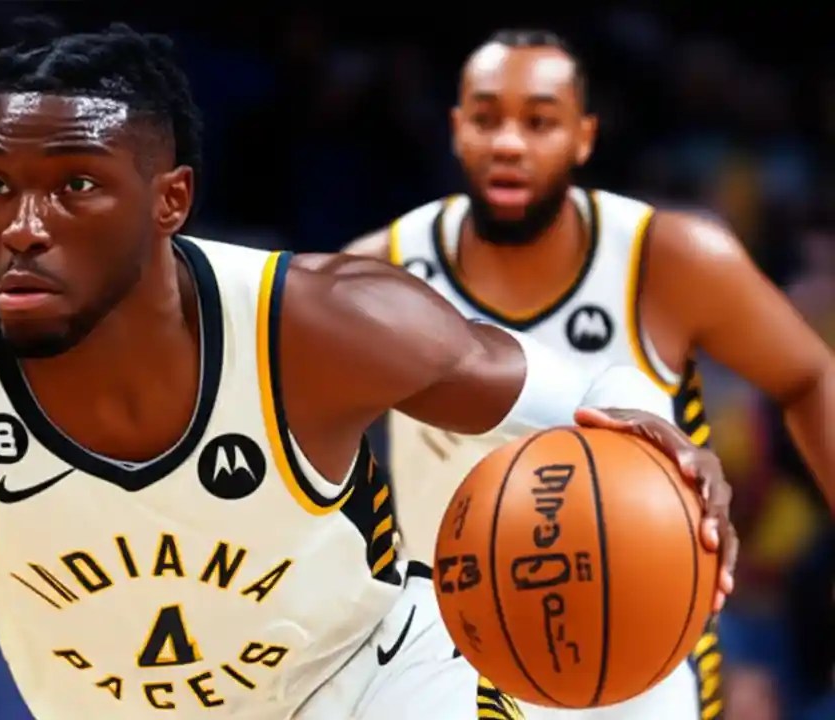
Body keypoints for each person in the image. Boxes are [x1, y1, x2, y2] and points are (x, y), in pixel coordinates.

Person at [0, 21, 737, 719]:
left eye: (75, 185)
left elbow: (588, 391)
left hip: (368, 685)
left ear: (170, 200)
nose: (22, 226)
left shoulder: (317, 326)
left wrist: (673, 454)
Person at [344, 28, 834, 720]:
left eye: (539, 121)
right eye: (486, 118)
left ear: (583, 137)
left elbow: (808, 375)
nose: (509, 142)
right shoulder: (379, 272)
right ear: (456, 131)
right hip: (452, 649)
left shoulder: (669, 257)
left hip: (640, 648)